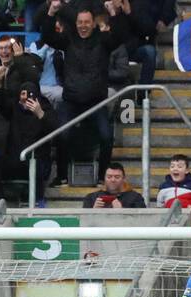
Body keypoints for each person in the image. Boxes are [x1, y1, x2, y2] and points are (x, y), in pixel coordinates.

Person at [39, 0, 129, 186]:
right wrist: (51, 11)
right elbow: (47, 36)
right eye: (80, 22)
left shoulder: (103, 40)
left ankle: (103, 176)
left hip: (96, 101)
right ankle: (61, 175)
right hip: (71, 99)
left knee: (106, 136)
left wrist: (114, 13)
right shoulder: (68, 39)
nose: (83, 26)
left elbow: (120, 35)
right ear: (76, 23)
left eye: (87, 22)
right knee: (61, 134)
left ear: (93, 22)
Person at [156, 154, 191, 226]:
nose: (175, 169)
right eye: (172, 166)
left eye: (179, 166)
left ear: (186, 170)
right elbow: (159, 208)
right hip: (169, 227)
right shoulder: (163, 187)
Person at [81, 163, 146, 209]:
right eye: (109, 177)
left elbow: (142, 222)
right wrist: (93, 211)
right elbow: (83, 222)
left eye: (117, 177)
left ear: (124, 178)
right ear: (104, 178)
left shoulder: (136, 198)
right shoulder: (91, 198)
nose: (113, 180)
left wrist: (122, 211)